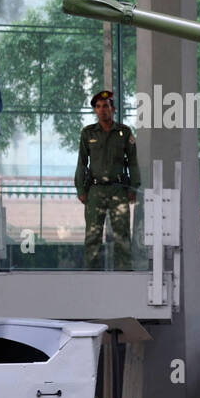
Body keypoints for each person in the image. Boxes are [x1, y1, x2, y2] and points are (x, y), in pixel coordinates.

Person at [75, 89, 137, 270]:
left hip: (118, 190)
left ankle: (124, 276)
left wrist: (133, 188)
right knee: (93, 236)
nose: (103, 110)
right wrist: (80, 189)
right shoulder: (88, 133)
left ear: (113, 109)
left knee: (122, 235)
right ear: (95, 110)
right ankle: (91, 277)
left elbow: (133, 162)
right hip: (95, 190)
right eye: (99, 107)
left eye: (106, 106)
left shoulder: (124, 133)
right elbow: (81, 163)